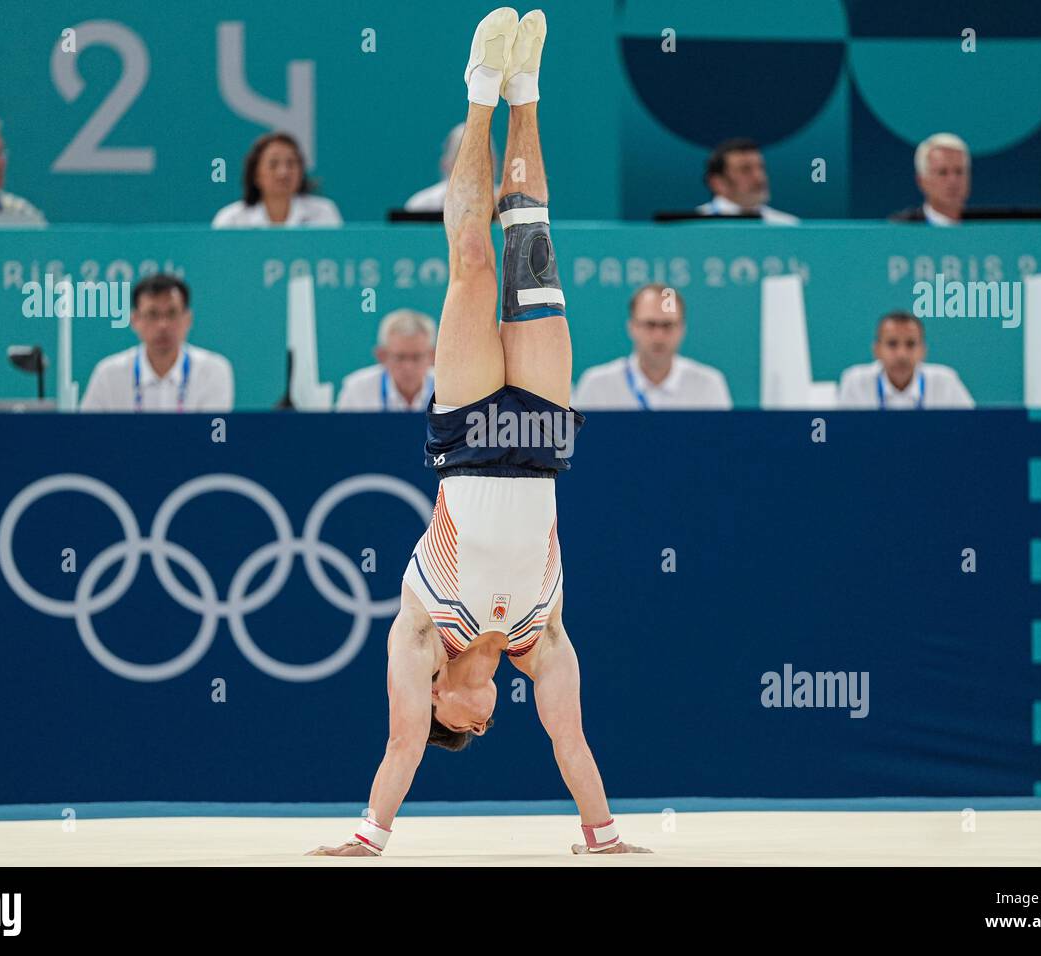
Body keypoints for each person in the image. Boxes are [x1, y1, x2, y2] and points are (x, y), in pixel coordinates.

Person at [307, 7, 647, 858]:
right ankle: (527, 85)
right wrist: (602, 838)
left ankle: (478, 96)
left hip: (464, 434)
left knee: (470, 260)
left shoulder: (419, 630)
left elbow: (398, 746)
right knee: (529, 233)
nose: (490, 723)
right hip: (539, 437)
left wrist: (367, 837)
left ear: (441, 704)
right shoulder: (545, 639)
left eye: (470, 728)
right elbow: (573, 745)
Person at [80, 274, 234, 412]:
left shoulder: (213, 370)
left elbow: (213, 437)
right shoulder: (108, 374)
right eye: (152, 314)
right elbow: (88, 435)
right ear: (135, 320)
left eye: (172, 313)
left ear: (187, 319)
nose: (163, 325)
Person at [572, 283, 732, 409]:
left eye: (668, 325)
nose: (659, 336)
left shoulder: (709, 385)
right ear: (632, 327)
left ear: (682, 329)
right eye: (650, 324)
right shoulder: (597, 384)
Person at [837, 311, 974, 409]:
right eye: (892, 344)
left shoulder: (946, 381)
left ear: (923, 350)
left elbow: (972, 430)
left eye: (910, 344)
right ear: (876, 350)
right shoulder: (855, 382)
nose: (901, 354)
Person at [212, 132, 342, 227]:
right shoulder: (231, 220)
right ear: (256, 175)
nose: (283, 173)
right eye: (273, 164)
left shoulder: (324, 213)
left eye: (291, 163)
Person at [335, 310, 436, 411]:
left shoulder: (448, 390)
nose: (408, 366)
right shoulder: (356, 389)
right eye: (400, 357)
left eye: (416, 357)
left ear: (433, 356)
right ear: (382, 356)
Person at [695, 138, 799, 224]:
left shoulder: (787, 224)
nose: (759, 177)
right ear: (717, 183)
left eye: (761, 167)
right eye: (745, 169)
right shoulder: (694, 224)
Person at [889, 133, 970, 225]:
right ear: (921, 181)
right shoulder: (902, 227)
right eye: (942, 172)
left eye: (959, 171)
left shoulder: (986, 226)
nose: (953, 180)